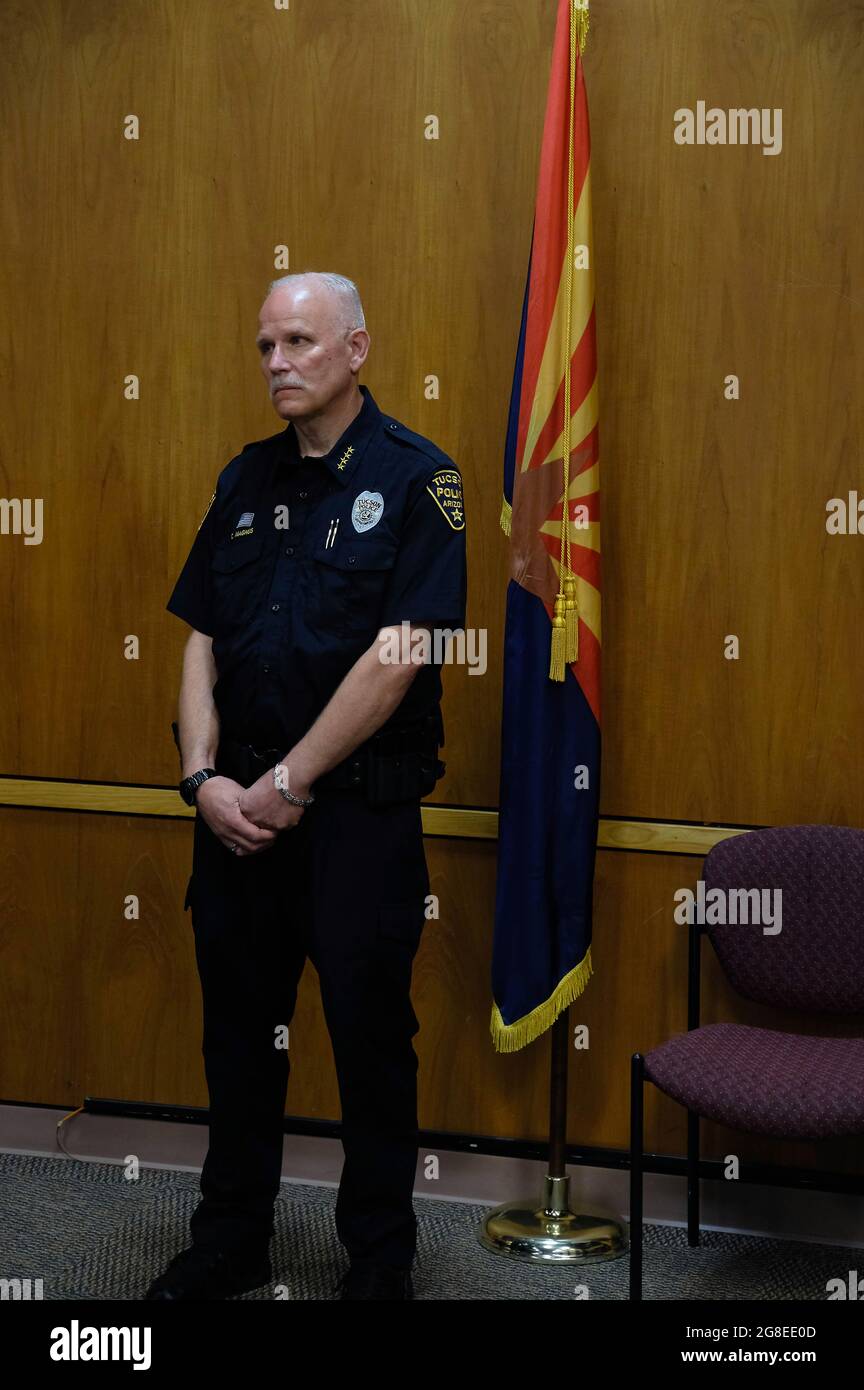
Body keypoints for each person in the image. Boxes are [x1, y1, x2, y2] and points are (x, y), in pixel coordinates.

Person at [145, 272, 467, 1301]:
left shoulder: (420, 481)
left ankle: (378, 1259)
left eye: (297, 341)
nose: (277, 363)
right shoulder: (243, 479)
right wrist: (203, 777)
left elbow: (402, 651)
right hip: (234, 819)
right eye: (264, 346)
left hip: (356, 818)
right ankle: (230, 1236)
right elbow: (200, 636)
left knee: (371, 1039)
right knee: (238, 1036)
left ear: (356, 348)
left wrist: (291, 778)